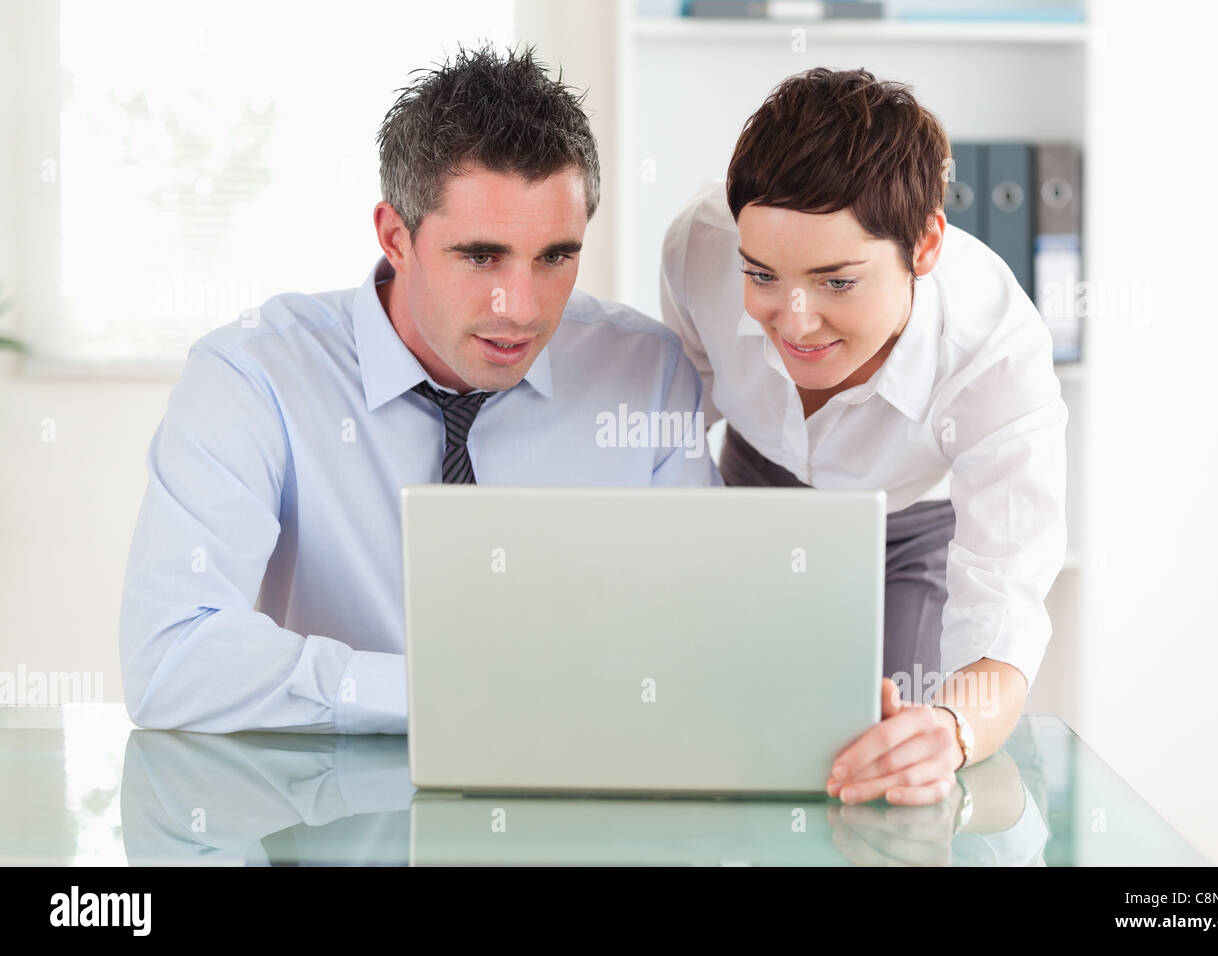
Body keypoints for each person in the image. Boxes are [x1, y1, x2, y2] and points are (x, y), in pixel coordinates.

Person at [119, 45, 720, 735]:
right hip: (333, 815)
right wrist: (443, 698)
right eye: (480, 255)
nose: (520, 307)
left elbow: (698, 635)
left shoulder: (645, 374)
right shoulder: (255, 377)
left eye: (556, 256)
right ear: (395, 237)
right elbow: (171, 659)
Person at [661, 67, 1068, 806]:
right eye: (762, 275)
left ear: (925, 246)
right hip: (754, 484)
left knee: (883, 765)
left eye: (837, 282)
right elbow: (673, 418)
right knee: (713, 749)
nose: (795, 319)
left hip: (910, 523)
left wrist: (952, 727)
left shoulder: (997, 355)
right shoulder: (700, 248)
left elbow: (1004, 611)